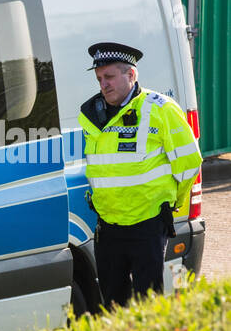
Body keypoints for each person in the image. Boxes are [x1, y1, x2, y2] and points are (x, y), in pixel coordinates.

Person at [79, 42, 202, 308]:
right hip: (108, 227)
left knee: (148, 304)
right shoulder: (92, 116)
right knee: (112, 306)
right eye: (99, 78)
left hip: (147, 225)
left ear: (131, 75)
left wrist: (172, 203)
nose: (104, 84)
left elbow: (190, 164)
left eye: (109, 77)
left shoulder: (161, 109)